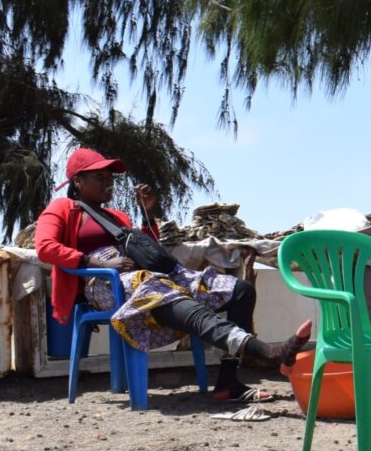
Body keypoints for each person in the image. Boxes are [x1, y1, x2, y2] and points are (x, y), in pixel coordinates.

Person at [35, 148, 311, 402]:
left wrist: (148, 214)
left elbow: (148, 251)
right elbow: (45, 247)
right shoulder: (61, 208)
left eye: (110, 177)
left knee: (237, 290)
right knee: (159, 290)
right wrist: (90, 259)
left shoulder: (118, 217)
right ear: (78, 182)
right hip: (102, 284)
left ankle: (228, 381)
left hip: (144, 276)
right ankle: (266, 351)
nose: (108, 182)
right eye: (100, 177)